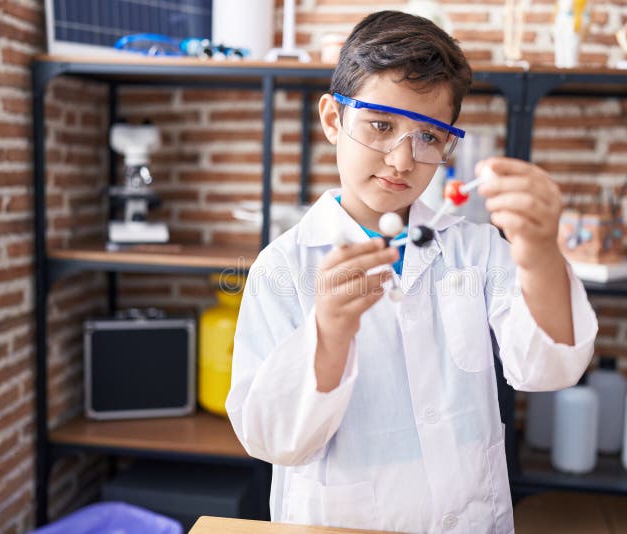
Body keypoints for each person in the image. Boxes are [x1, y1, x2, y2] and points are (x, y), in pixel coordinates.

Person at [226, 10, 597, 533]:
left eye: (429, 136)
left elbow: (549, 367)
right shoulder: (284, 266)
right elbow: (270, 440)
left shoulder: (477, 250)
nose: (402, 159)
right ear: (333, 120)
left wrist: (537, 251)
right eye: (381, 125)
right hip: (341, 522)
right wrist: (328, 336)